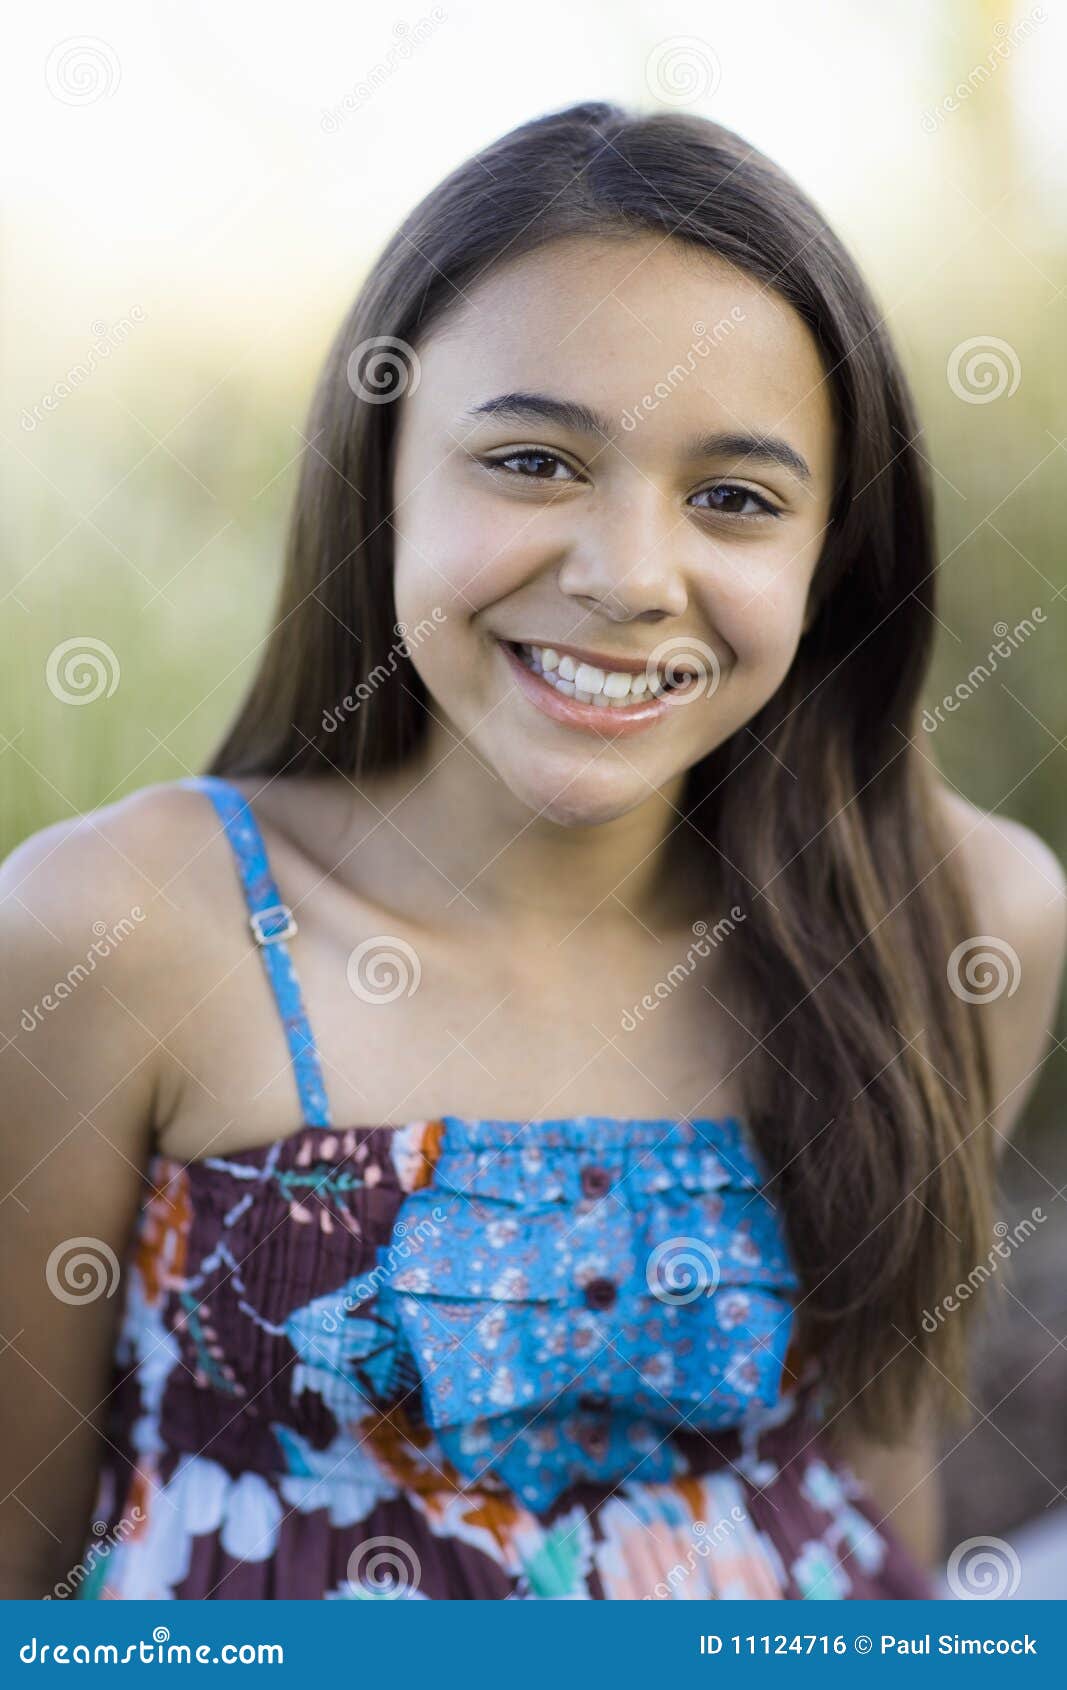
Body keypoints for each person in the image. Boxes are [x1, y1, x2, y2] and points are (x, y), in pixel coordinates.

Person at [1, 100, 1064, 1601]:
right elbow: (18, 1569)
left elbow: (873, 1494)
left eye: (735, 499)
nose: (629, 576)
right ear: (381, 474)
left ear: (836, 561)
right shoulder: (118, 926)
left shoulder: (955, 913)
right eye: (533, 462)